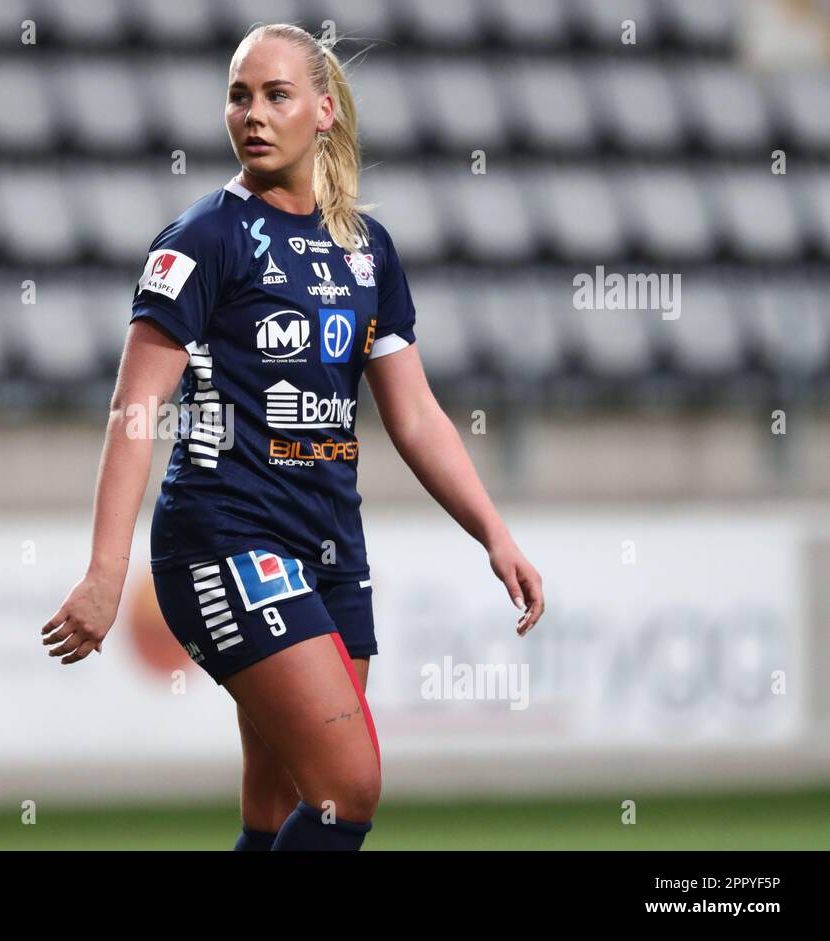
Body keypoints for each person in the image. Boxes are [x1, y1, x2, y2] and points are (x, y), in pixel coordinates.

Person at [41, 23, 545, 851]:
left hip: (329, 548)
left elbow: (414, 416)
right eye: (240, 95)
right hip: (225, 538)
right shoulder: (203, 241)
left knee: (279, 806)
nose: (254, 113)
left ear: (324, 111)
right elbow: (135, 410)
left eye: (276, 95)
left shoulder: (366, 250)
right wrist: (106, 569)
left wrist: (494, 532)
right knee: (350, 786)